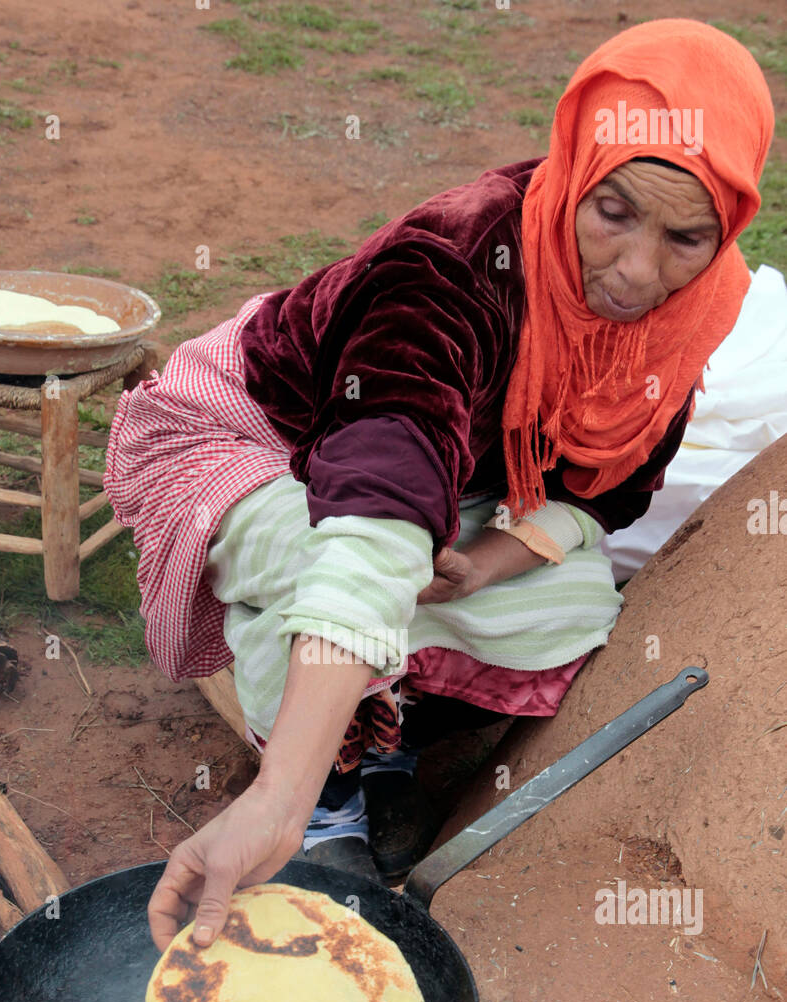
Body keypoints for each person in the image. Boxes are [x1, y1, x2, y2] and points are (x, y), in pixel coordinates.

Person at [103, 18, 774, 951]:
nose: (636, 271)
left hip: (448, 487)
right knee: (326, 564)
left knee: (575, 602)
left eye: (685, 237)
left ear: (729, 225)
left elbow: (614, 494)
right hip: (254, 433)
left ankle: (391, 742)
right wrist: (278, 805)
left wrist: (496, 559)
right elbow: (379, 485)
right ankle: (326, 800)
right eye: (612, 212)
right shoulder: (455, 261)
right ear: (575, 165)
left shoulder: (695, 307)